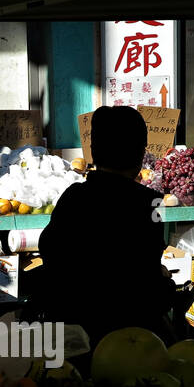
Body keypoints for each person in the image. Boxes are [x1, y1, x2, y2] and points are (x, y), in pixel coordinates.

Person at [36, 105, 178, 345]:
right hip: (130, 336)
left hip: (71, 335)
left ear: (93, 151)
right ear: (140, 154)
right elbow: (145, 273)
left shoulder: (73, 198)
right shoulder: (147, 203)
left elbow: (50, 252)